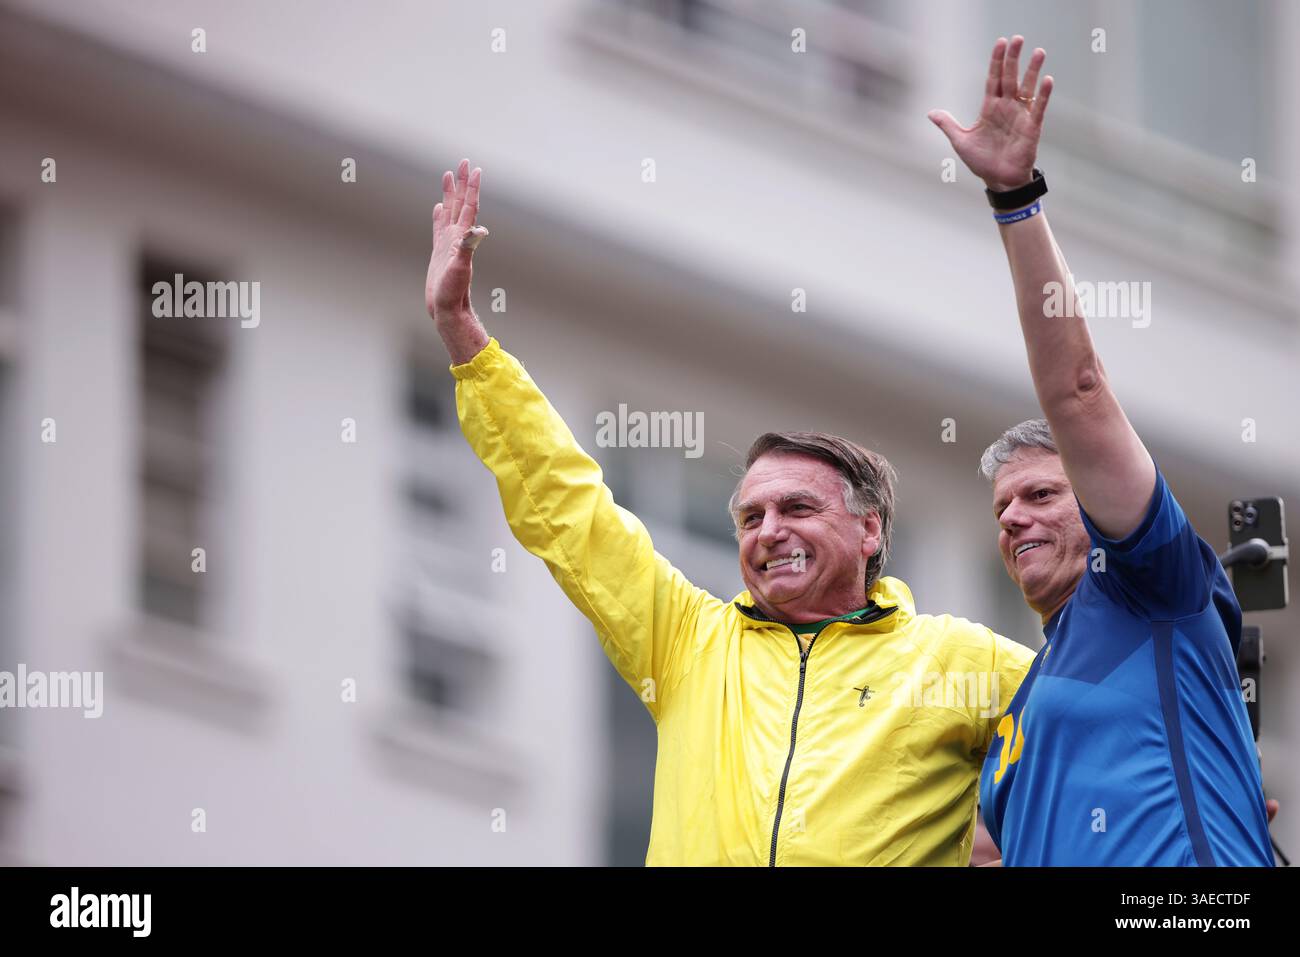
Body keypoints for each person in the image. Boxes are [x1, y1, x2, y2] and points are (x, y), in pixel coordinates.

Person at [424, 159, 1035, 865]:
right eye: (750, 518)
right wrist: (460, 330)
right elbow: (565, 501)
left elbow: (1104, 737)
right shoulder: (687, 643)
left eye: (797, 507)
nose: (769, 531)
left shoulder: (958, 660)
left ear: (869, 528)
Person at [931, 37, 1274, 865]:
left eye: (1041, 494)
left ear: (1094, 503)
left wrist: (1015, 198)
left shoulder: (1150, 583)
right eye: (1002, 507)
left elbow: (1078, 392)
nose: (1013, 517)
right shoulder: (1018, 716)